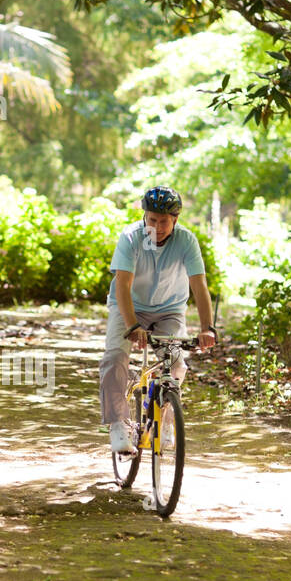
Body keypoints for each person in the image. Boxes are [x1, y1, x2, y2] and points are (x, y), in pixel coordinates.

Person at [99, 186, 216, 454]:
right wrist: (132, 326)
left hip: (169, 310)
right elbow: (122, 285)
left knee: (176, 365)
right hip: (128, 306)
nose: (158, 226)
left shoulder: (186, 241)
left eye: (164, 221)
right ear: (144, 216)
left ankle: (165, 420)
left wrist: (207, 328)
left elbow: (199, 285)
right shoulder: (131, 237)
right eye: (152, 219)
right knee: (115, 357)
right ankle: (118, 423)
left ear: (175, 220)